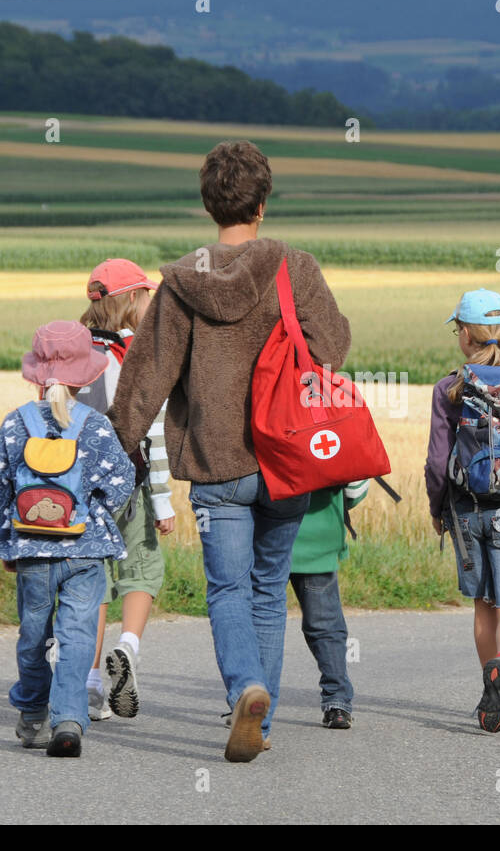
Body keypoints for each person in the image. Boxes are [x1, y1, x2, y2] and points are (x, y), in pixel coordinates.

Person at [109, 140, 351, 762]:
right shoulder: (295, 268)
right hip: (288, 461)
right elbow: (335, 345)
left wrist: (114, 452)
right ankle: (260, 717)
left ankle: (246, 688)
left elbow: (145, 379)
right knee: (270, 585)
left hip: (217, 465)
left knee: (227, 590)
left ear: (208, 203)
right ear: (263, 204)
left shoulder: (183, 281)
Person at [0, 320, 136, 757]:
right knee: (77, 636)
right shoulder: (96, 426)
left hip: (31, 549)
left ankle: (33, 716)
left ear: (35, 373)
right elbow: (122, 484)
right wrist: (92, 512)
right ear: (87, 375)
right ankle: (69, 719)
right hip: (86, 552)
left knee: (34, 633)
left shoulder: (16, 425)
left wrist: (7, 540)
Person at [425, 289, 500, 733]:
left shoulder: (449, 388)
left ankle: (487, 689)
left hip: (465, 509)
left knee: (483, 605)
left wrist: (437, 509)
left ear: (465, 336)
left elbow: (438, 461)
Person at [73, 258, 175, 722]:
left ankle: (91, 682)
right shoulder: (138, 356)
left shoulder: (71, 351)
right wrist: (164, 501)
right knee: (142, 570)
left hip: (77, 488)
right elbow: (150, 436)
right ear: (132, 300)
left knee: (93, 582)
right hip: (130, 484)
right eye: (146, 295)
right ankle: (128, 648)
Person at [288, 480, 369, 729]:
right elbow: (355, 491)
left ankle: (249, 700)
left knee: (261, 619)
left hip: (267, 535)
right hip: (319, 536)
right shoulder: (338, 436)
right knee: (325, 624)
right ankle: (338, 703)